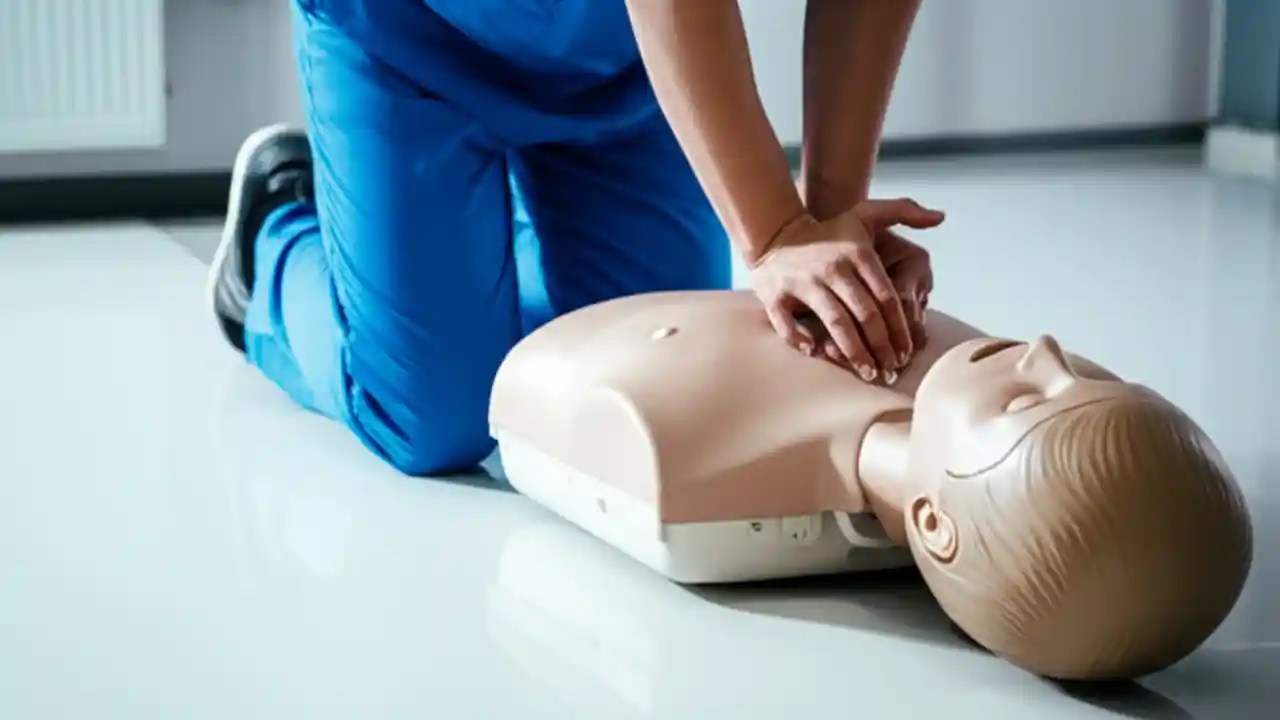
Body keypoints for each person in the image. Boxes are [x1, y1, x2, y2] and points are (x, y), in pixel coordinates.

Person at [208, 0, 937, 475]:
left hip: (623, 62)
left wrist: (833, 219)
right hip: (406, 36)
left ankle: (470, 257)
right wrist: (778, 236)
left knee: (646, 380)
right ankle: (275, 233)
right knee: (432, 421)